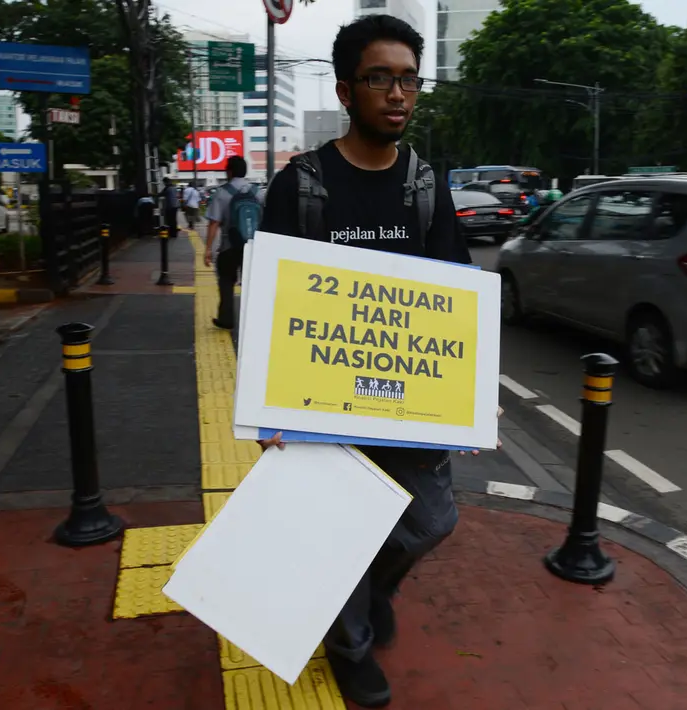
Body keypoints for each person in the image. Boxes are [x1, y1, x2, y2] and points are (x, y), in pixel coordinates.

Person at [254, 15, 479, 708]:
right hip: (321, 406)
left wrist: (470, 394)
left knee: (431, 521)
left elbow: (458, 293)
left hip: (407, 403)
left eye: (408, 79)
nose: (398, 94)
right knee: (337, 527)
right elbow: (267, 300)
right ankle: (349, 646)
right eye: (380, 78)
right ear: (347, 90)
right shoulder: (301, 188)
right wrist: (267, 413)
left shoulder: (424, 187)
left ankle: (373, 589)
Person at [203, 155, 263, 329]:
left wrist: (208, 249)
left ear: (228, 171)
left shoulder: (222, 193)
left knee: (226, 282)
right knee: (252, 284)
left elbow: (214, 222)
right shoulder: (256, 191)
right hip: (252, 246)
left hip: (229, 246)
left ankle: (226, 319)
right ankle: (255, 321)